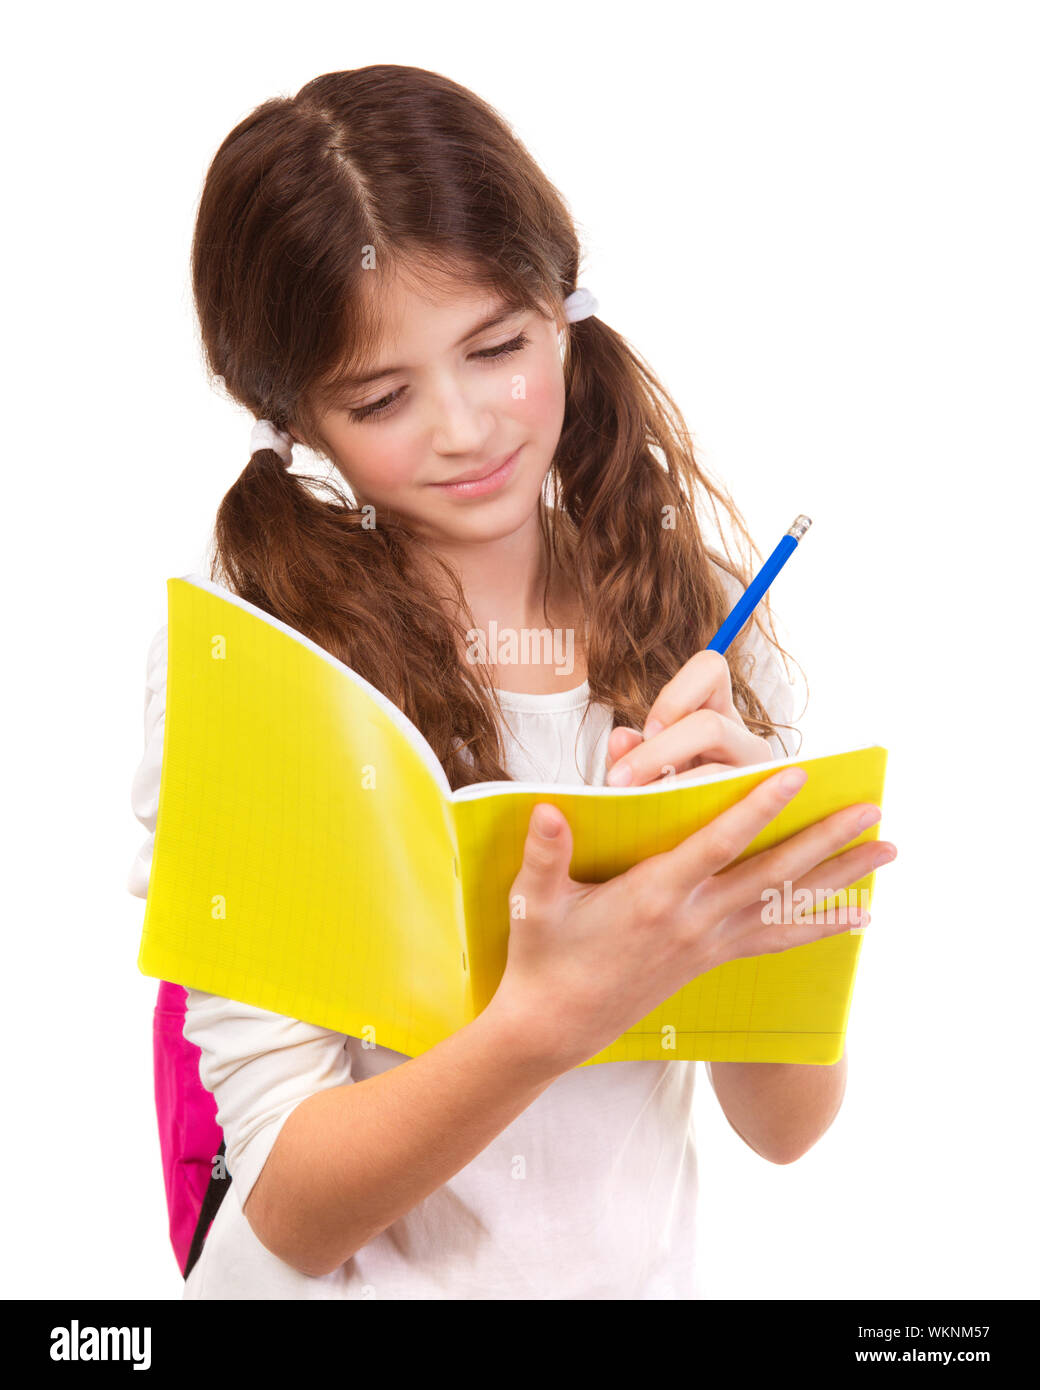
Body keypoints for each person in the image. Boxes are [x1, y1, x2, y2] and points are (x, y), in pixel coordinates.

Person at [127, 64, 897, 1300]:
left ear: (561, 306)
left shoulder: (689, 622)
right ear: (293, 416)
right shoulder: (257, 669)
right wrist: (546, 1020)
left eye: (497, 347)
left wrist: (771, 887)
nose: (464, 427)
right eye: (380, 396)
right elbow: (275, 1226)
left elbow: (785, 1125)